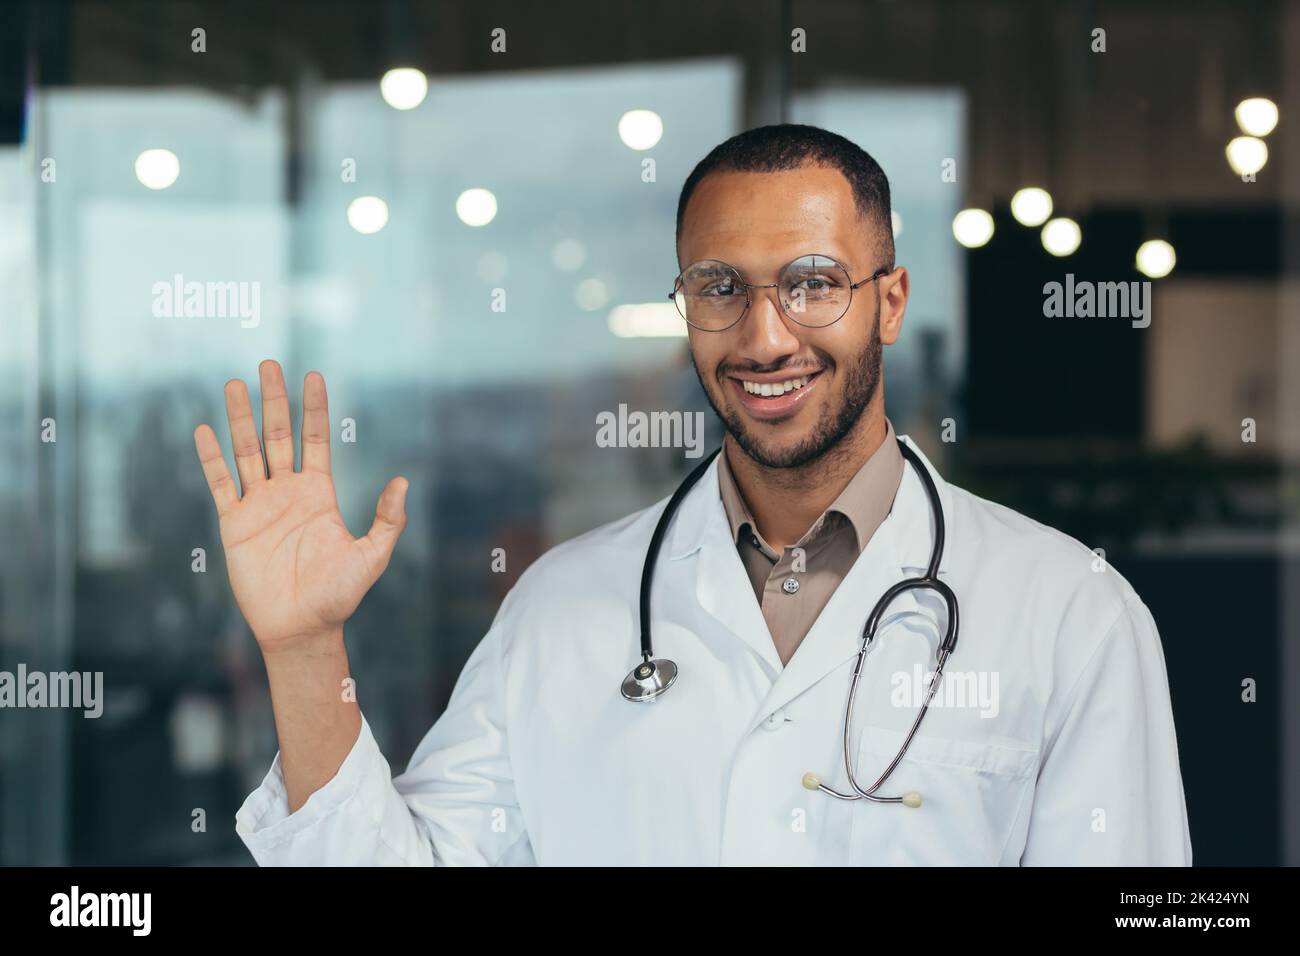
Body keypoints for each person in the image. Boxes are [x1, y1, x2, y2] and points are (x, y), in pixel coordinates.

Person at [193, 124, 1192, 865]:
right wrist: (302, 646)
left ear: (888, 300)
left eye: (811, 282)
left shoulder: (1068, 612)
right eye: (720, 288)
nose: (764, 336)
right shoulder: (563, 605)